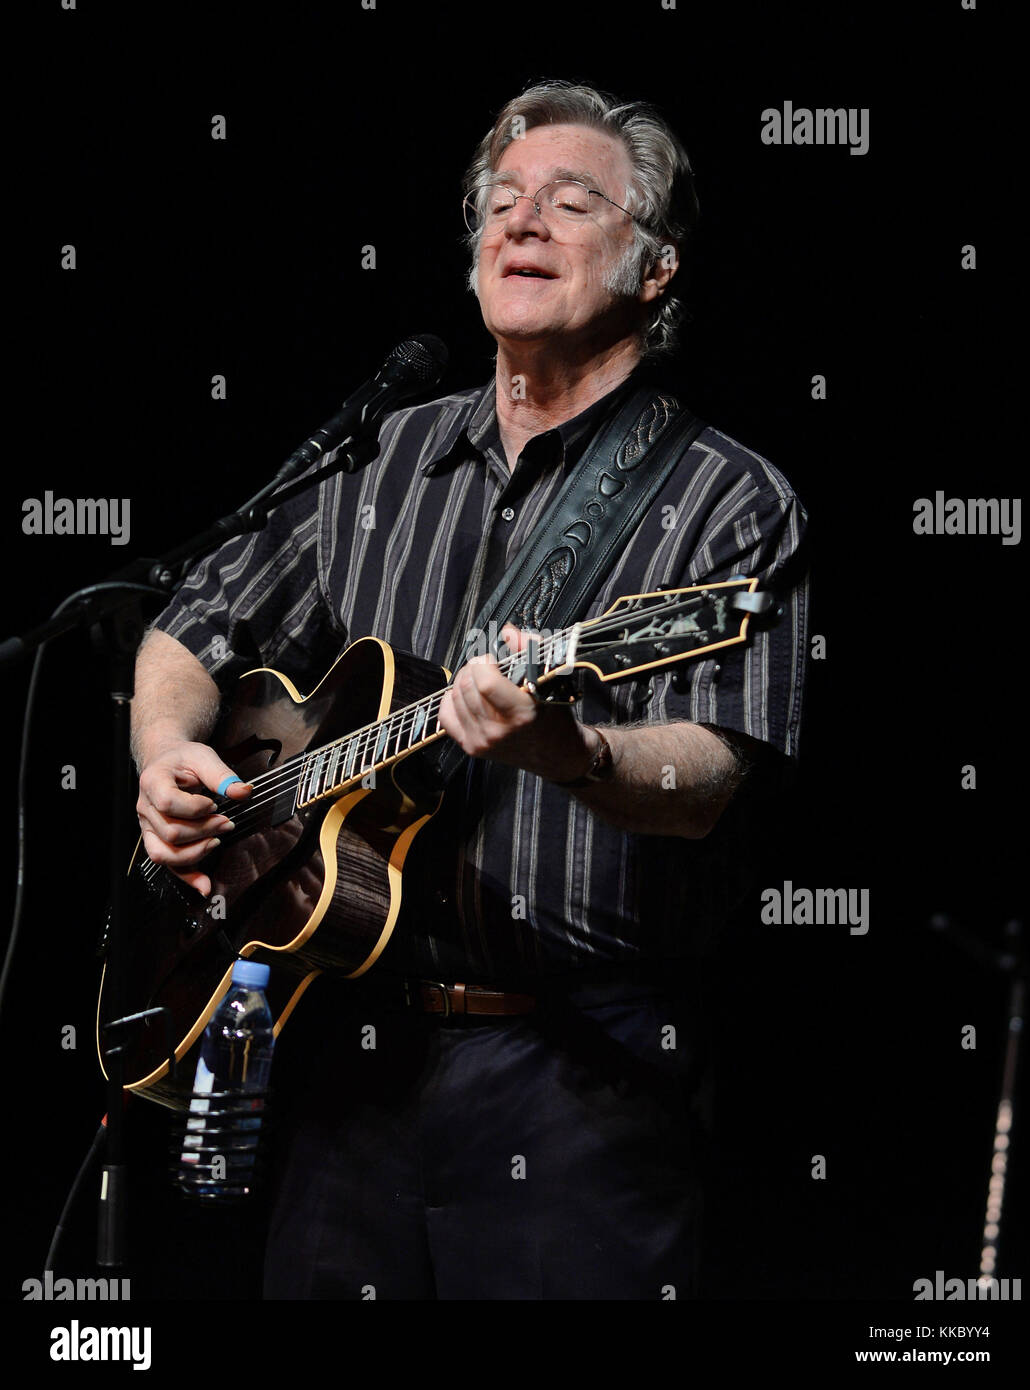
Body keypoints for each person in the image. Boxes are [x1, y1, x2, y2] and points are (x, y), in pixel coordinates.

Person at [131, 81, 808, 1299]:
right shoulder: (380, 454)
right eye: (499, 203)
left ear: (654, 271)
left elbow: (710, 777)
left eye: (568, 201)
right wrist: (165, 756)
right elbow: (192, 624)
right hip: (341, 1049)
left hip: (583, 1077)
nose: (520, 223)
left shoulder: (727, 498)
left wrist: (573, 753)